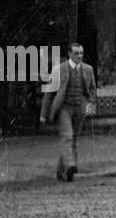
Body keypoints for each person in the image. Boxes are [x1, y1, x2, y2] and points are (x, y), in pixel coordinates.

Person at [39, 42, 96, 182]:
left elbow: (92, 90)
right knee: (67, 136)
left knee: (73, 140)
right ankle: (71, 164)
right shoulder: (58, 70)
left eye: (81, 53)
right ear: (69, 54)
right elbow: (49, 93)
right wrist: (43, 115)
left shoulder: (88, 69)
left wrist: (90, 109)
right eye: (76, 53)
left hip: (80, 108)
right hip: (64, 108)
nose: (79, 56)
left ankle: (62, 170)